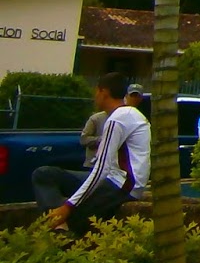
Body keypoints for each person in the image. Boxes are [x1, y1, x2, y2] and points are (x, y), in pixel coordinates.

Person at [33, 72, 150, 236]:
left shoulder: (118, 119)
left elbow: (102, 169)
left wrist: (68, 206)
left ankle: (62, 229)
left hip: (120, 185)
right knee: (44, 174)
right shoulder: (129, 115)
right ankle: (60, 225)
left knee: (76, 220)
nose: (95, 96)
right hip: (115, 180)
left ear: (104, 92)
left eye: (96, 91)